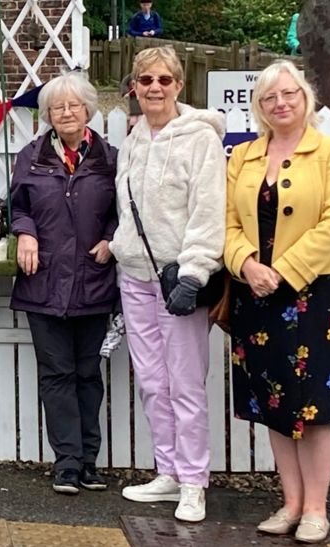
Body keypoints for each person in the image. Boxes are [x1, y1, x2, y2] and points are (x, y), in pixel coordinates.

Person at [225, 60, 330, 544]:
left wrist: (283, 270)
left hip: (317, 295)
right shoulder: (243, 155)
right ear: (259, 107)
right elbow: (227, 224)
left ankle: (317, 509)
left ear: (305, 97)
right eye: (269, 98)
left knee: (316, 406)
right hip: (256, 295)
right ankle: (292, 502)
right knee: (275, 402)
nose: (281, 104)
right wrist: (247, 265)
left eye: (289, 94)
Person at [109, 46, 226, 522]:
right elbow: (127, 209)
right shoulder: (134, 137)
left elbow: (208, 211)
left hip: (179, 278)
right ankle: (169, 472)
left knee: (185, 384)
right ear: (133, 87)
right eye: (145, 80)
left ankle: (195, 481)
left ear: (179, 84)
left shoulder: (200, 140)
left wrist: (196, 273)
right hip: (134, 274)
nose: (154, 88)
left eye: (163, 80)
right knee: (154, 382)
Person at [10, 72, 118, 495]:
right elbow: (17, 207)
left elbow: (122, 210)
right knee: (56, 374)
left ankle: (90, 462)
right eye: (58, 107)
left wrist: (111, 239)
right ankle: (67, 463)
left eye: (74, 105)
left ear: (88, 109)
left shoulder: (109, 157)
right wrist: (25, 231)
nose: (67, 112)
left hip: (93, 279)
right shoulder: (31, 156)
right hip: (45, 281)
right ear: (47, 115)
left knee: (88, 374)